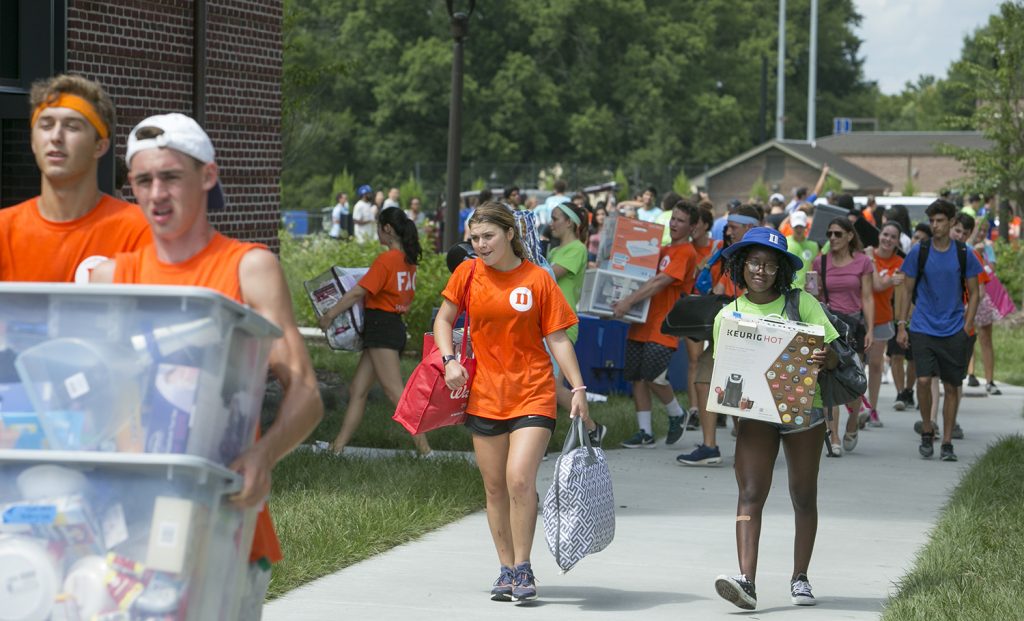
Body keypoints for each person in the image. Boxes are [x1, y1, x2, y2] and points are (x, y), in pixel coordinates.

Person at [90, 113, 323, 620]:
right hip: (125, 524)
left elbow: (305, 389)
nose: (156, 194)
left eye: (171, 176)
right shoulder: (111, 277)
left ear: (208, 177)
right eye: (143, 180)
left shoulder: (247, 267)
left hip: (224, 519)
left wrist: (264, 454)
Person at [433, 202, 590, 602]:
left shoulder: (538, 278)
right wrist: (449, 359)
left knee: (519, 478)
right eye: (475, 239)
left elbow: (556, 337)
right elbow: (443, 319)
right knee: (494, 486)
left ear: (509, 234)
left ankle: (523, 567)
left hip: (533, 391)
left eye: (488, 237)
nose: (481, 245)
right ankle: (504, 568)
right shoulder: (467, 273)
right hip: (484, 394)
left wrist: (577, 389)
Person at [710, 228, 839, 611]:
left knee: (803, 494)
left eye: (769, 264)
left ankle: (800, 577)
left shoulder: (804, 304)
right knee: (750, 492)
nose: (761, 271)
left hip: (803, 409)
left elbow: (833, 355)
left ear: (781, 269)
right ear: (741, 266)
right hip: (756, 414)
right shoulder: (727, 316)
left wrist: (823, 357)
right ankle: (746, 581)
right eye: (753, 263)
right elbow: (724, 372)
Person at [1, 74, 150, 282]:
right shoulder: (4, 231)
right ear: (33, 142)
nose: (56, 137)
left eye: (72, 126)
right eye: (46, 125)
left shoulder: (141, 229)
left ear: (100, 146)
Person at [318, 207, 432, 456]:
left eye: (379, 227)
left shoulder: (386, 260)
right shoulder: (408, 263)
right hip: (390, 327)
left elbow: (359, 291)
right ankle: (336, 449)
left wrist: (329, 315)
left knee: (395, 392)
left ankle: (426, 451)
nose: (377, 232)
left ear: (387, 229)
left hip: (382, 328)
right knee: (357, 390)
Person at [896, 199, 982, 462]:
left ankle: (946, 442)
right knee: (923, 380)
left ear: (952, 222)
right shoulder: (918, 252)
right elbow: (906, 290)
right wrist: (902, 325)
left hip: (954, 328)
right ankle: (926, 427)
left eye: (940, 221)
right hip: (922, 326)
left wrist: (967, 325)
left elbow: (975, 292)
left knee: (952, 386)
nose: (935, 225)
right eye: (932, 221)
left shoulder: (964, 253)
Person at [677, 204, 761, 465]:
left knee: (744, 390)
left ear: (749, 228)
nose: (728, 231)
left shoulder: (766, 255)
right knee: (704, 380)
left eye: (734, 227)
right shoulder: (730, 255)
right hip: (726, 331)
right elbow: (721, 289)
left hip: (753, 335)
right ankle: (710, 446)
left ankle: (752, 446)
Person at [613, 201, 698, 448]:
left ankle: (676, 413)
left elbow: (659, 281)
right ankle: (645, 432)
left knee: (653, 376)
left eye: (681, 221)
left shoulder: (686, 252)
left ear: (692, 227)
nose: (674, 224)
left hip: (663, 324)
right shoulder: (662, 249)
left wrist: (627, 301)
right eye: (673, 218)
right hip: (641, 322)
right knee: (637, 377)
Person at [811, 217, 873, 456]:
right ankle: (833, 435)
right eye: (830, 234)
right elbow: (814, 296)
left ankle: (853, 420)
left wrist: (870, 329)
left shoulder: (863, 262)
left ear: (849, 236)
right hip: (830, 324)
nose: (833, 239)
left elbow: (867, 297)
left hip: (854, 324)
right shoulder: (821, 261)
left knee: (854, 379)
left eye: (838, 234)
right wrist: (812, 292)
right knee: (829, 378)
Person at [548, 201, 606, 444]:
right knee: (548, 386)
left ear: (569, 222)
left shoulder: (577, 249)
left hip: (563, 323)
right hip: (549, 322)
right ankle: (590, 430)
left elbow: (548, 275)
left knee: (550, 386)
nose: (551, 223)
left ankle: (592, 427)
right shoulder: (554, 251)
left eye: (555, 218)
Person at [952, 213, 1001, 395]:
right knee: (968, 337)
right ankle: (970, 373)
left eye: (984, 230)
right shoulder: (964, 248)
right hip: (963, 302)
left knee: (985, 338)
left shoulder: (984, 248)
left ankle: (989, 379)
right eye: (979, 230)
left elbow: (992, 268)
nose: (981, 233)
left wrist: (984, 251)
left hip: (982, 299)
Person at [864, 222, 906, 428]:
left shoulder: (899, 263)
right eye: (885, 234)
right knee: (856, 364)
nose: (888, 239)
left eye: (893, 237)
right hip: (860, 317)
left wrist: (871, 259)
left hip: (881, 318)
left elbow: (877, 285)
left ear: (898, 241)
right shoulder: (864, 255)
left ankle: (872, 408)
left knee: (875, 365)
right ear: (879, 235)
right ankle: (857, 408)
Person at [785, 210, 819, 290]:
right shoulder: (785, 242)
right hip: (787, 289)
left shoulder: (813, 245)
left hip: (806, 290)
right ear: (790, 226)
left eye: (801, 226)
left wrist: (813, 287)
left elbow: (814, 268)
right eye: (796, 227)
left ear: (806, 226)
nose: (798, 229)